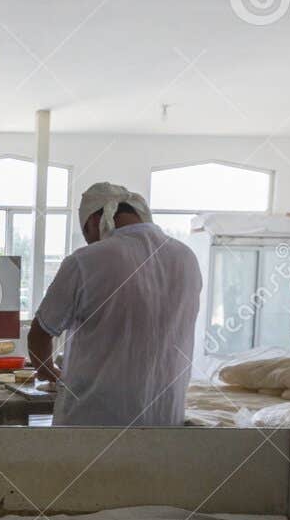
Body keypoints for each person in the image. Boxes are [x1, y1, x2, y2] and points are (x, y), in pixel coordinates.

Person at [25, 182, 201, 426]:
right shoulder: (186, 257)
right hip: (164, 419)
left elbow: (40, 334)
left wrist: (48, 371)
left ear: (95, 221)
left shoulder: (86, 260)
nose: (89, 241)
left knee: (87, 466)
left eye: (86, 232)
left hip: (93, 419)